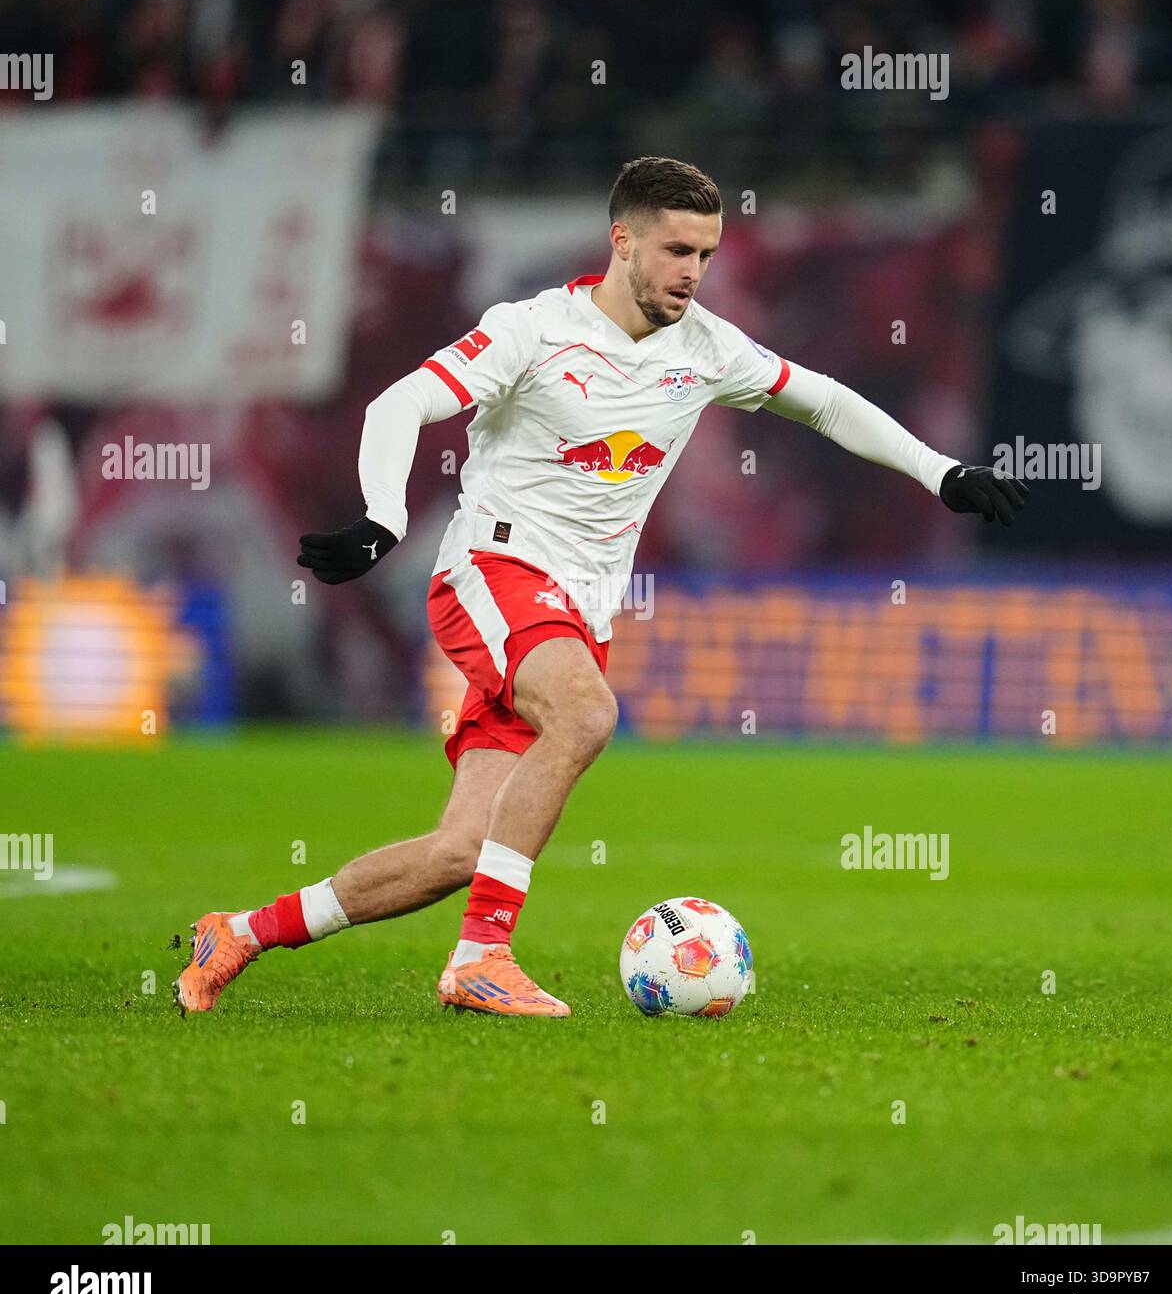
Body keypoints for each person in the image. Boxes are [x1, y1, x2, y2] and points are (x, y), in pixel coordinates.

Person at [174, 156, 1027, 1018]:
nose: (693, 271)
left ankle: (241, 931)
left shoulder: (707, 349)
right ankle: (482, 956)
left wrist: (942, 472)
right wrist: (383, 520)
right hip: (494, 572)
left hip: (577, 611)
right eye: (676, 250)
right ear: (622, 242)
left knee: (462, 850)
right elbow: (397, 405)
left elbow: (827, 402)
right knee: (587, 715)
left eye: (706, 252)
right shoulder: (533, 330)